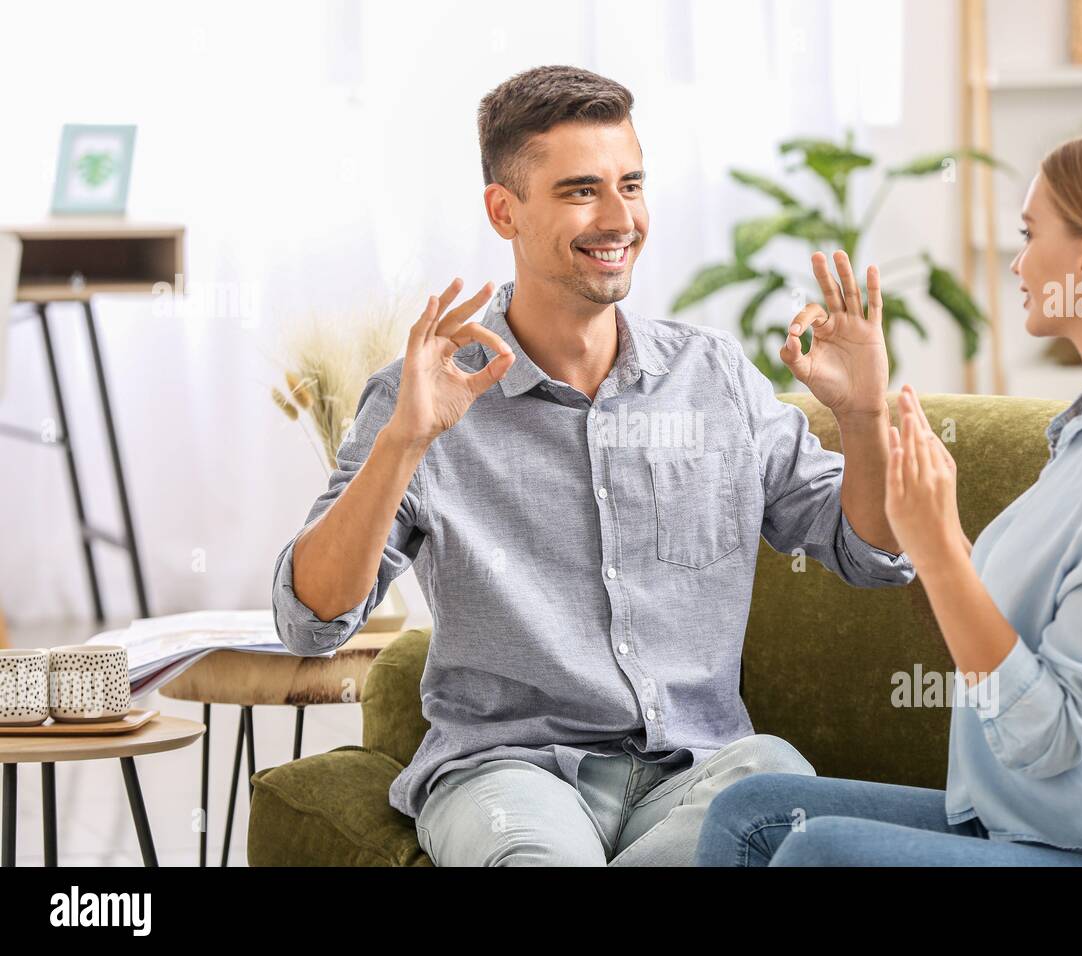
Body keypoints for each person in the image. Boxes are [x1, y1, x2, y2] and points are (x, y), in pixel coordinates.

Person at [271, 65, 915, 866]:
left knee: (780, 795)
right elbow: (310, 620)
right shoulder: (425, 396)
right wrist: (403, 443)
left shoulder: (713, 378)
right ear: (504, 210)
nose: (620, 219)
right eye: (581, 191)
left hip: (706, 766)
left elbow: (872, 553)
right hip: (511, 773)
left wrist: (861, 420)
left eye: (631, 185)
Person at [695, 130, 1082, 867]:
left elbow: (1046, 734)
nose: (1016, 259)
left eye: (1029, 232)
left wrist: (941, 549)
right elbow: (1010, 641)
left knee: (819, 854)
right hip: (1043, 826)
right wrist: (897, 478)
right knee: (749, 815)